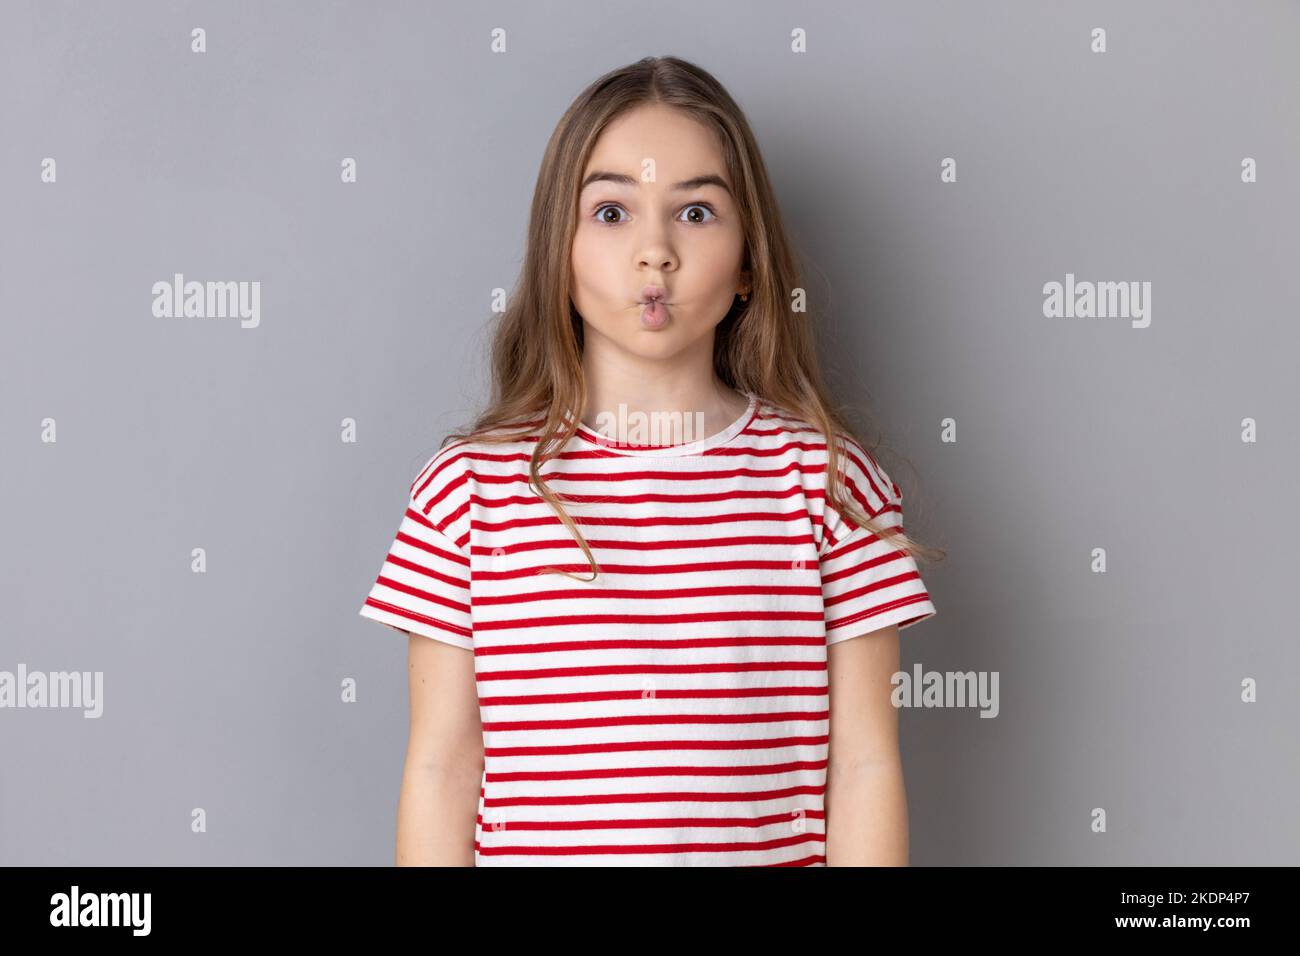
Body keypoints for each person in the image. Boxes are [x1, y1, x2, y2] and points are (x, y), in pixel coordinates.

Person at [359, 55, 943, 867]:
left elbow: (866, 763)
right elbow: (442, 767)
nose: (654, 251)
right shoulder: (469, 490)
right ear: (556, 251)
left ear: (748, 260)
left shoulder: (830, 485)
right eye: (610, 212)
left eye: (697, 212)